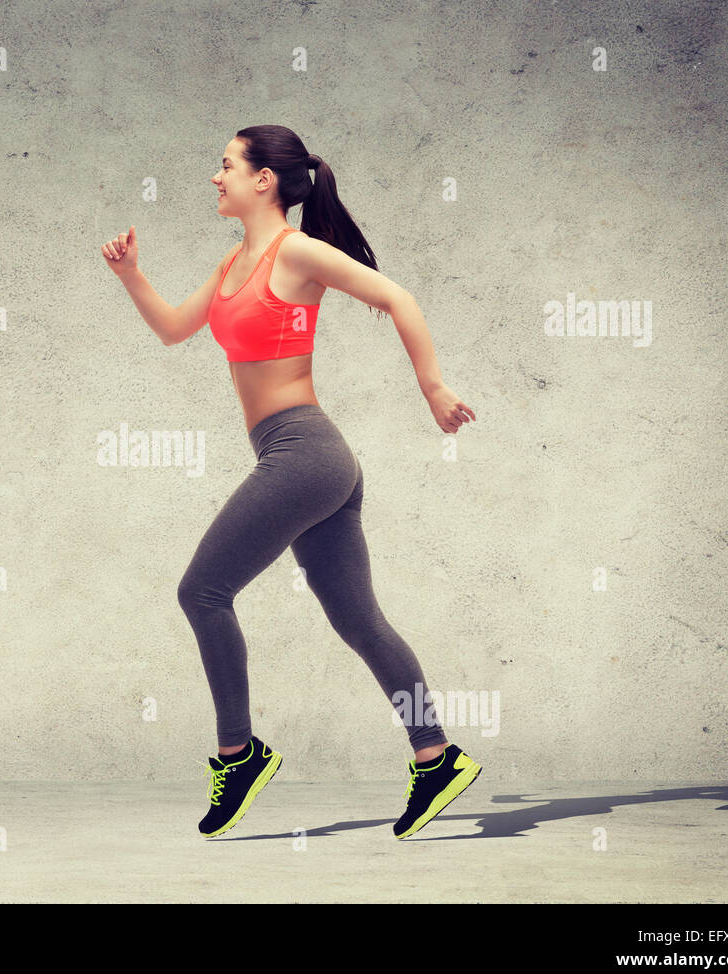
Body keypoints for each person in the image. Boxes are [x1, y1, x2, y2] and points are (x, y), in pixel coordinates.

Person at [100, 125, 482, 840]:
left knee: (202, 592)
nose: (215, 178)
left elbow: (397, 297)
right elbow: (175, 329)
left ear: (264, 180)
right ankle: (436, 757)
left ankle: (238, 755)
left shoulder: (295, 251)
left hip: (305, 455)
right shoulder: (233, 263)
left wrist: (432, 388)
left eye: (225, 166)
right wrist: (131, 277)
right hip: (308, 460)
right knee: (357, 619)